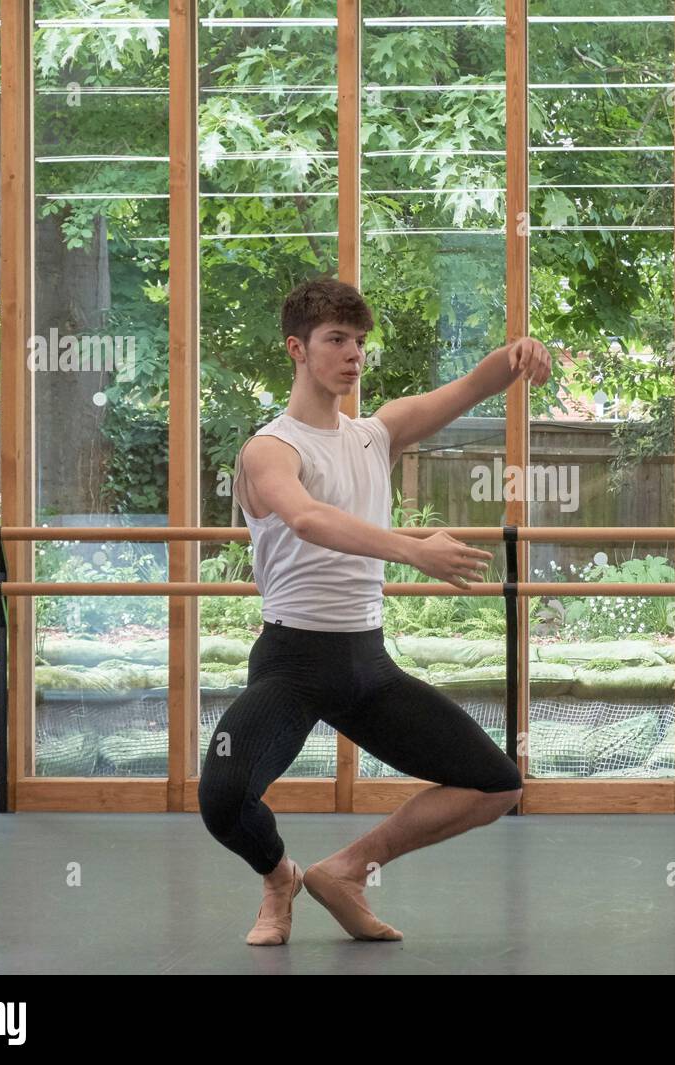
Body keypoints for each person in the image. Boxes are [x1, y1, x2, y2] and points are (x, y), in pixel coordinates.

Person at [198, 276, 552, 944]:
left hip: (366, 664)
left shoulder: (375, 434)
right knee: (220, 797)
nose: (353, 353)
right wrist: (413, 550)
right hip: (291, 663)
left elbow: (467, 389)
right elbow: (305, 517)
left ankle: (348, 869)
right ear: (296, 349)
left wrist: (514, 356)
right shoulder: (269, 448)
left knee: (498, 784)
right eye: (336, 339)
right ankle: (280, 880)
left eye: (359, 341)